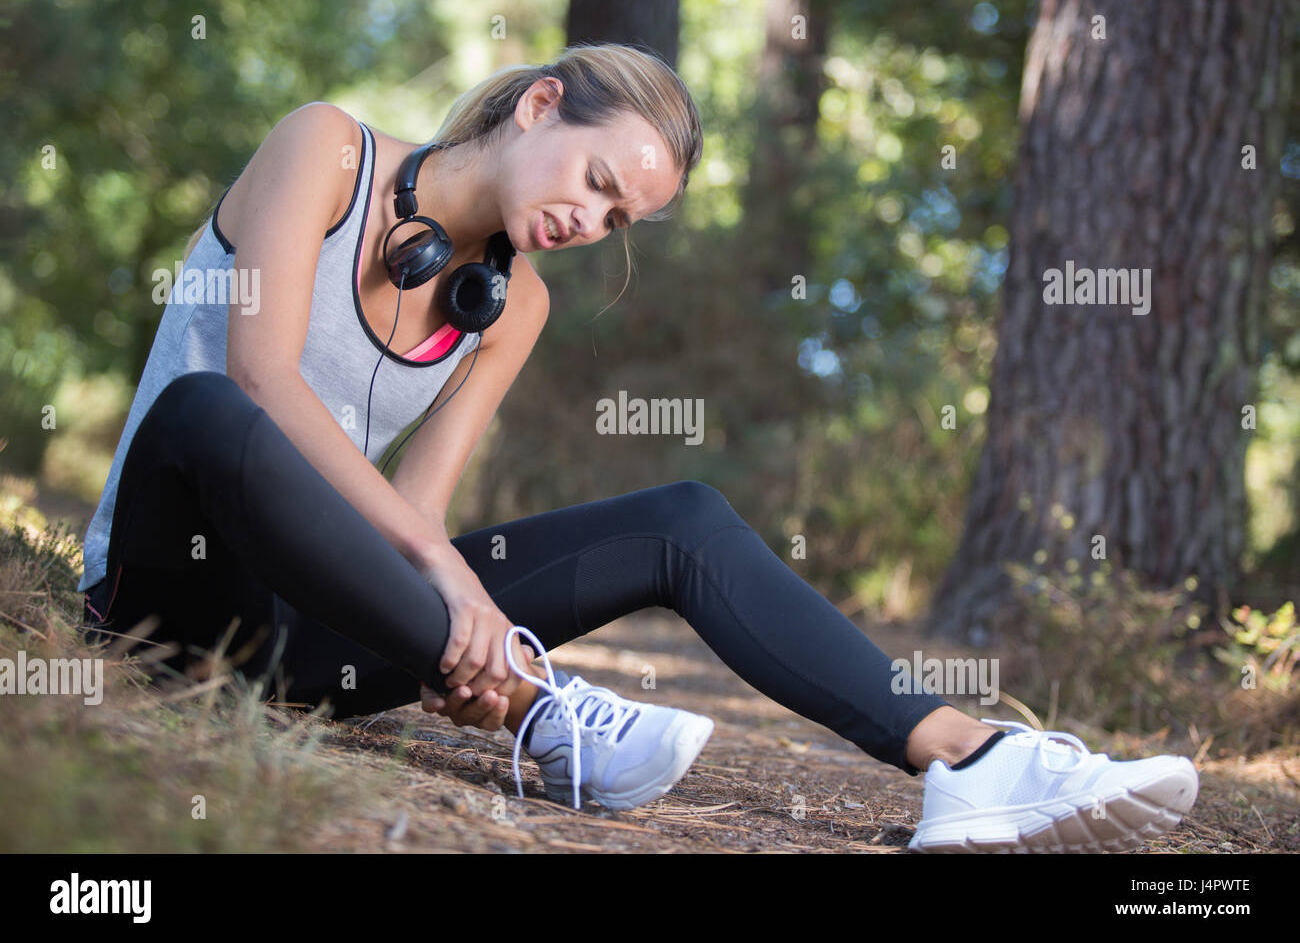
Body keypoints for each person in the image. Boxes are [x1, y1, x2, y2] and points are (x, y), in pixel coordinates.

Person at [77, 42, 1198, 850]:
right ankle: (544, 713)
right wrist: (460, 604)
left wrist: (454, 620)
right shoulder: (324, 151)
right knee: (212, 408)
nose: (590, 220)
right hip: (161, 595)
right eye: (597, 181)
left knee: (687, 517)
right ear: (540, 106)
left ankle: (964, 755)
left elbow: (418, 509)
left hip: (300, 647)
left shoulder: (508, 308)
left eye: (618, 220)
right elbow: (265, 373)